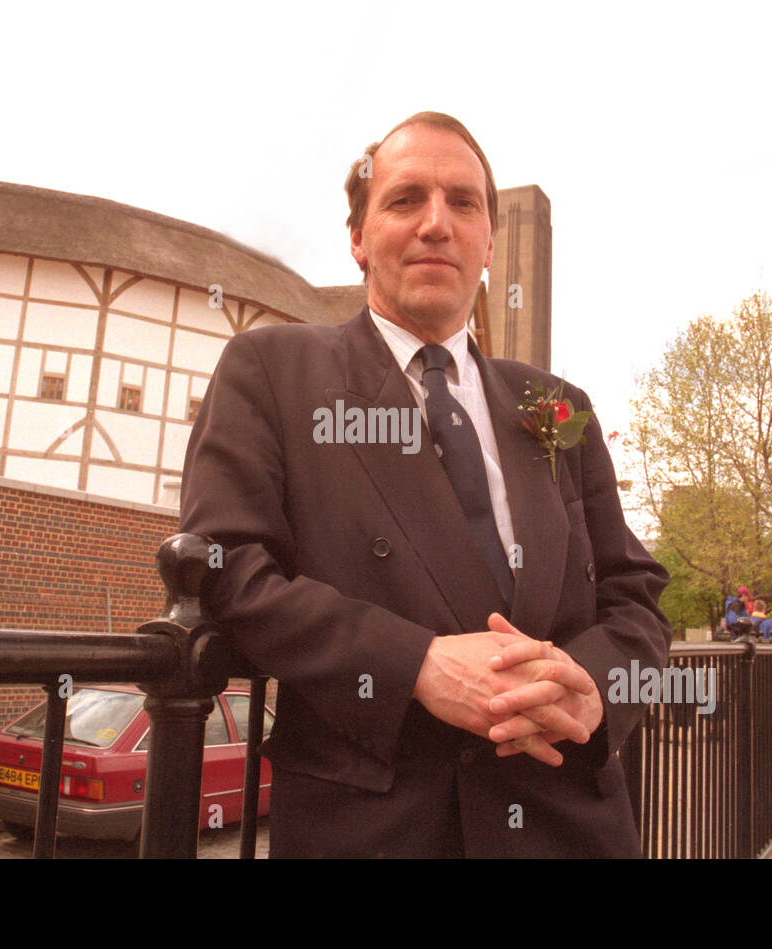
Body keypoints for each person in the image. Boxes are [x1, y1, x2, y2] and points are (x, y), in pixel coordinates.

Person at [180, 111, 672, 857]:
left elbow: (633, 591)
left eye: (463, 202)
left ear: (488, 245)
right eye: (405, 199)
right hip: (378, 830)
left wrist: (595, 683)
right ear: (358, 236)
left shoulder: (559, 406)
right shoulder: (270, 371)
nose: (436, 223)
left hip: (570, 825)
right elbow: (227, 567)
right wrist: (414, 665)